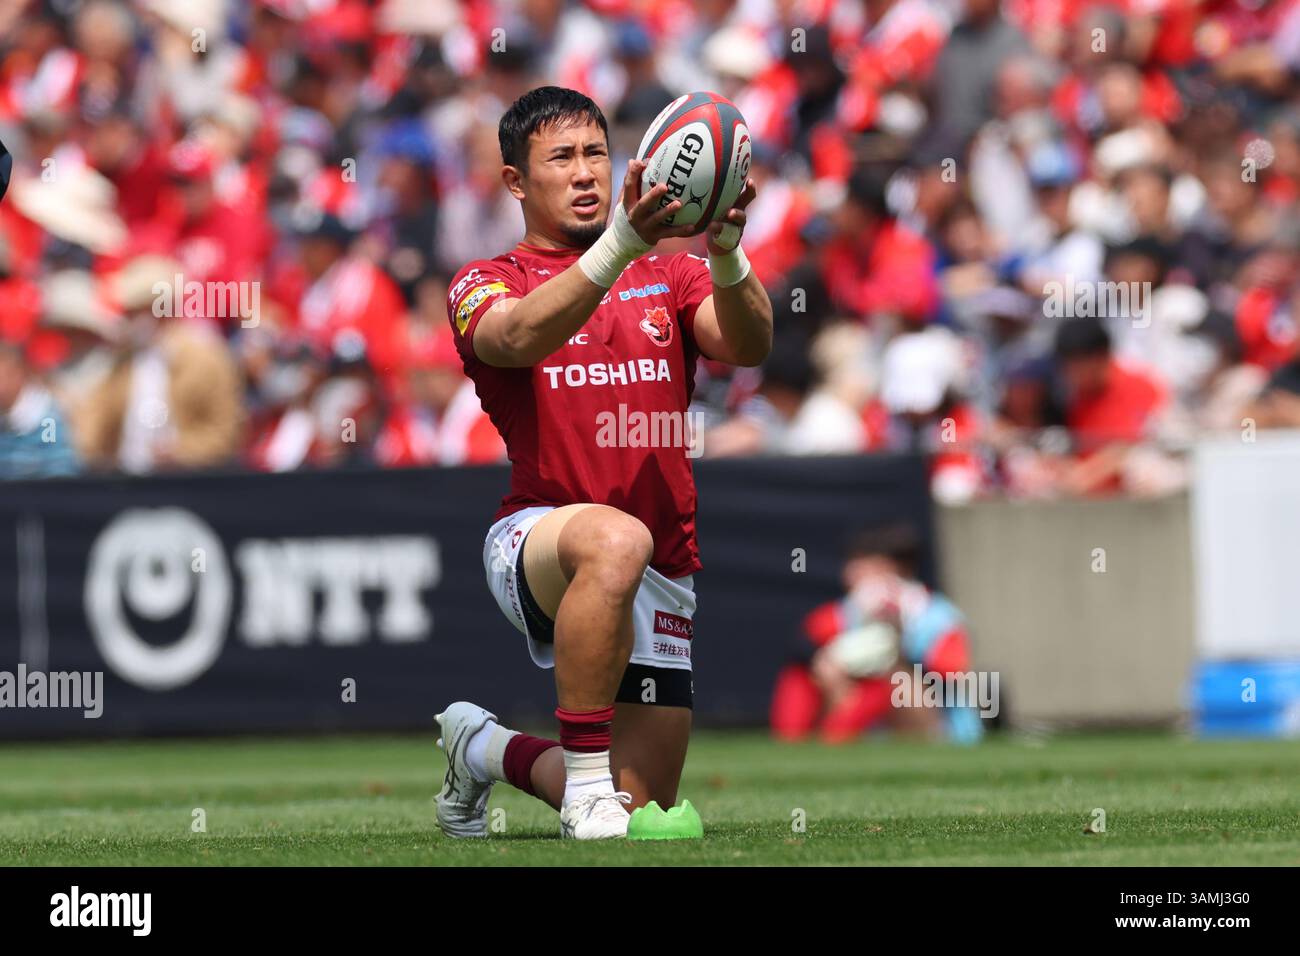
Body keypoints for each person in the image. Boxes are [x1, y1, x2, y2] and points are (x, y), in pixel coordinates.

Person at [436, 87, 772, 840]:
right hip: (538, 538)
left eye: (596, 153)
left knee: (644, 806)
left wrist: (725, 246)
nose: (586, 172)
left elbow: (749, 345)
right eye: (562, 158)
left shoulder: (672, 274)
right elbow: (514, 338)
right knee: (614, 539)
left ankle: (484, 747)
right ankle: (586, 784)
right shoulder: (485, 280)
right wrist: (618, 242)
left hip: (662, 563)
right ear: (516, 181)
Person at [769, 524, 984, 744]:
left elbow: (950, 672)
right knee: (811, 672)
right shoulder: (845, 612)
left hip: (935, 723)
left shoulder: (937, 616)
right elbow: (801, 643)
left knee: (895, 680)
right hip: (859, 711)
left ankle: (836, 738)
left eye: (872, 569)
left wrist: (897, 646)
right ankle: (796, 743)